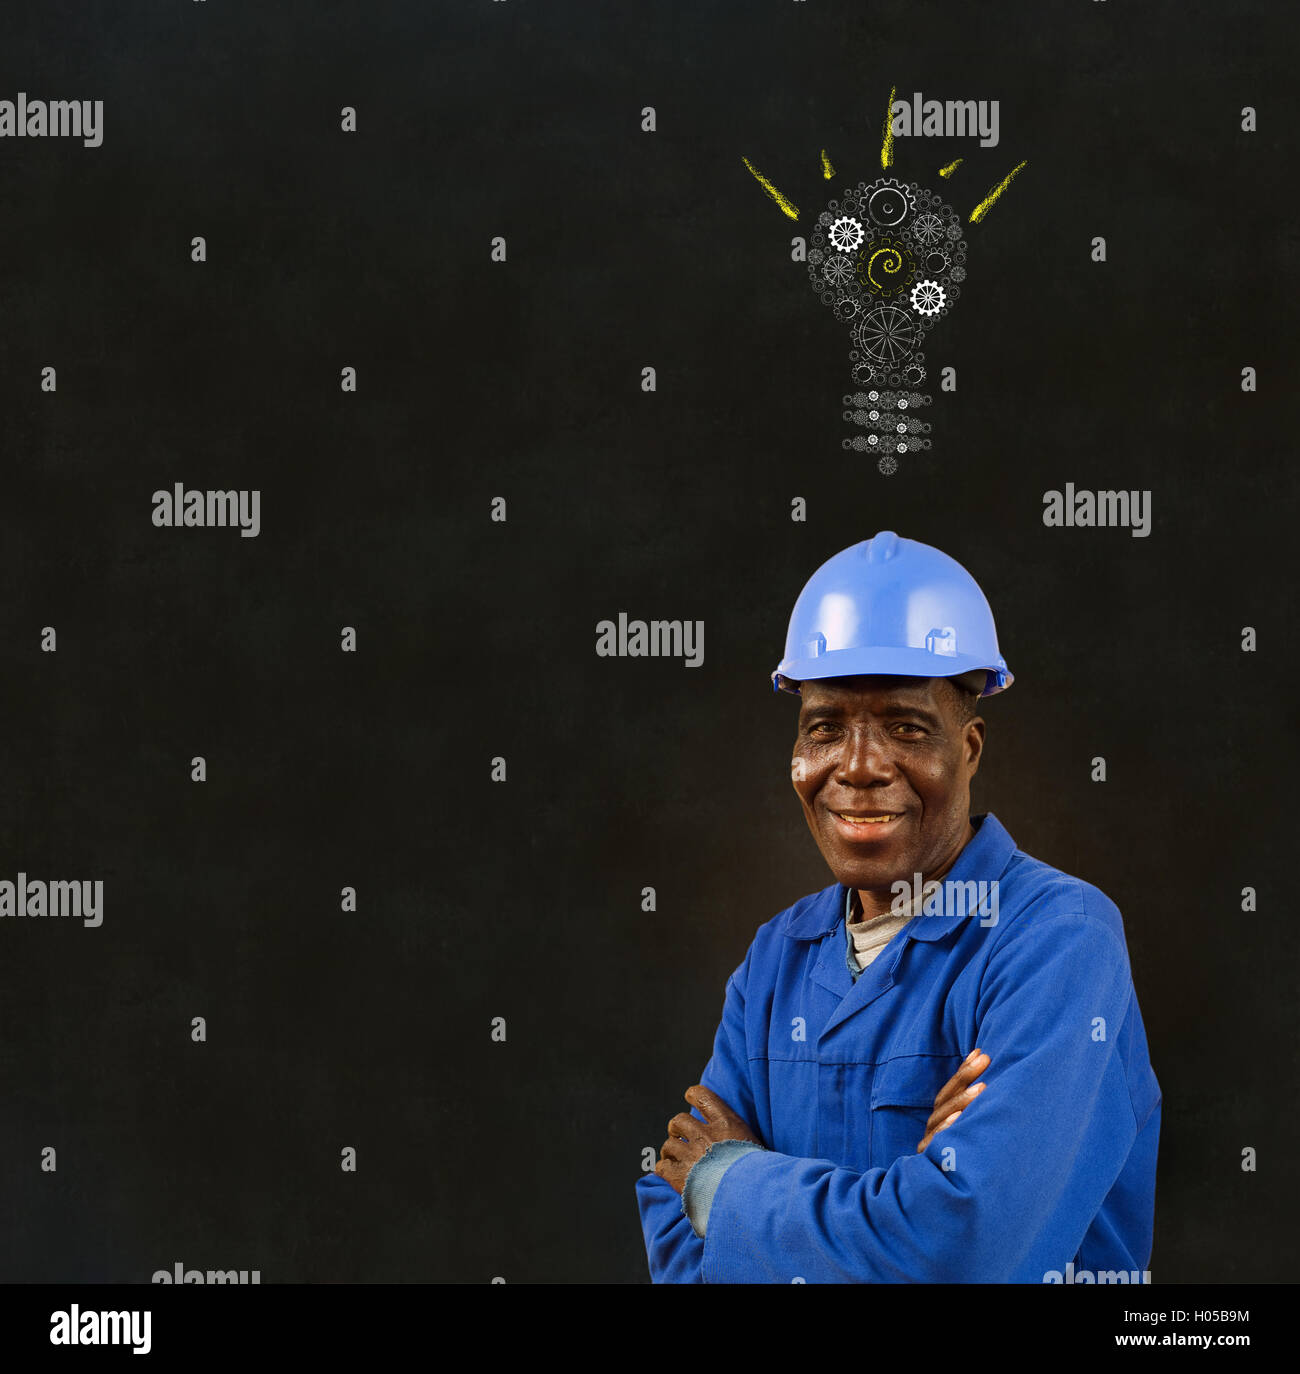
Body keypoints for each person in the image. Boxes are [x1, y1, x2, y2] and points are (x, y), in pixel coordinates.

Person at [634, 531, 1161, 1283]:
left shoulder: (1058, 942)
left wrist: (727, 1186)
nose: (858, 767)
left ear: (969, 748)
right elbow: (674, 1236)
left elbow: (968, 1249)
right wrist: (905, 1203)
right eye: (825, 729)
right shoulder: (776, 959)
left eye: (905, 727)